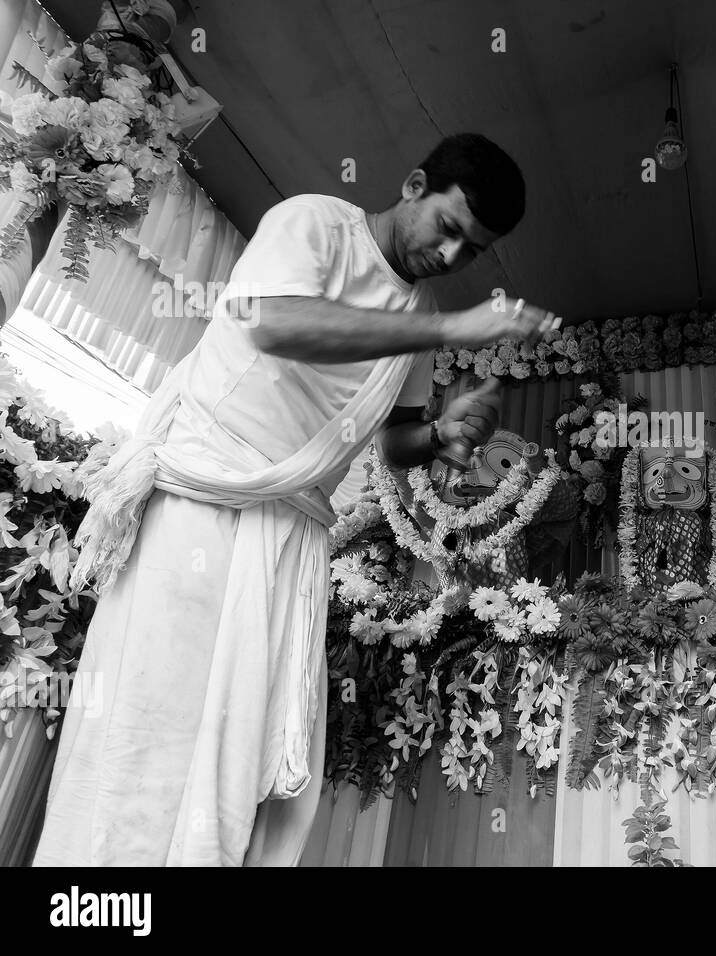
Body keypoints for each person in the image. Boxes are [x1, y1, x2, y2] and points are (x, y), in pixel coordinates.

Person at [33, 133, 557, 866]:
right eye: (448, 229)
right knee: (151, 715)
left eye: (471, 251)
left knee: (238, 751)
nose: (450, 258)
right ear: (413, 186)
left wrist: (445, 433)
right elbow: (274, 322)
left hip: (289, 537)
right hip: (202, 508)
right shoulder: (315, 224)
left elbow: (393, 444)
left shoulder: (416, 318)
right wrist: (447, 327)